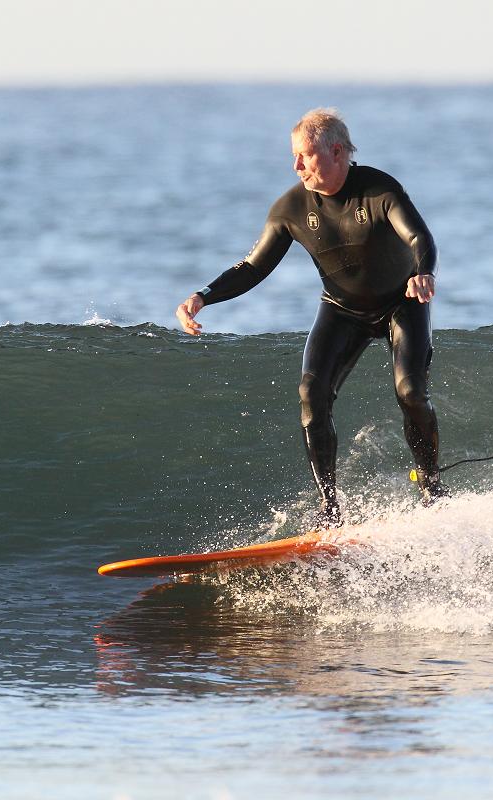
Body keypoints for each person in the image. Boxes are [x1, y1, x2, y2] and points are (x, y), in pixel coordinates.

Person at [175, 108, 445, 526]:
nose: (296, 165)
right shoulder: (291, 208)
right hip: (342, 310)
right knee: (311, 396)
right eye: (294, 156)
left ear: (336, 152)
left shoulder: (378, 189)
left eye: (305, 155)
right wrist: (203, 296)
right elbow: (252, 267)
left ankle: (431, 486)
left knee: (410, 392)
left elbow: (419, 236)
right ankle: (330, 507)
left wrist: (424, 273)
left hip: (402, 302)